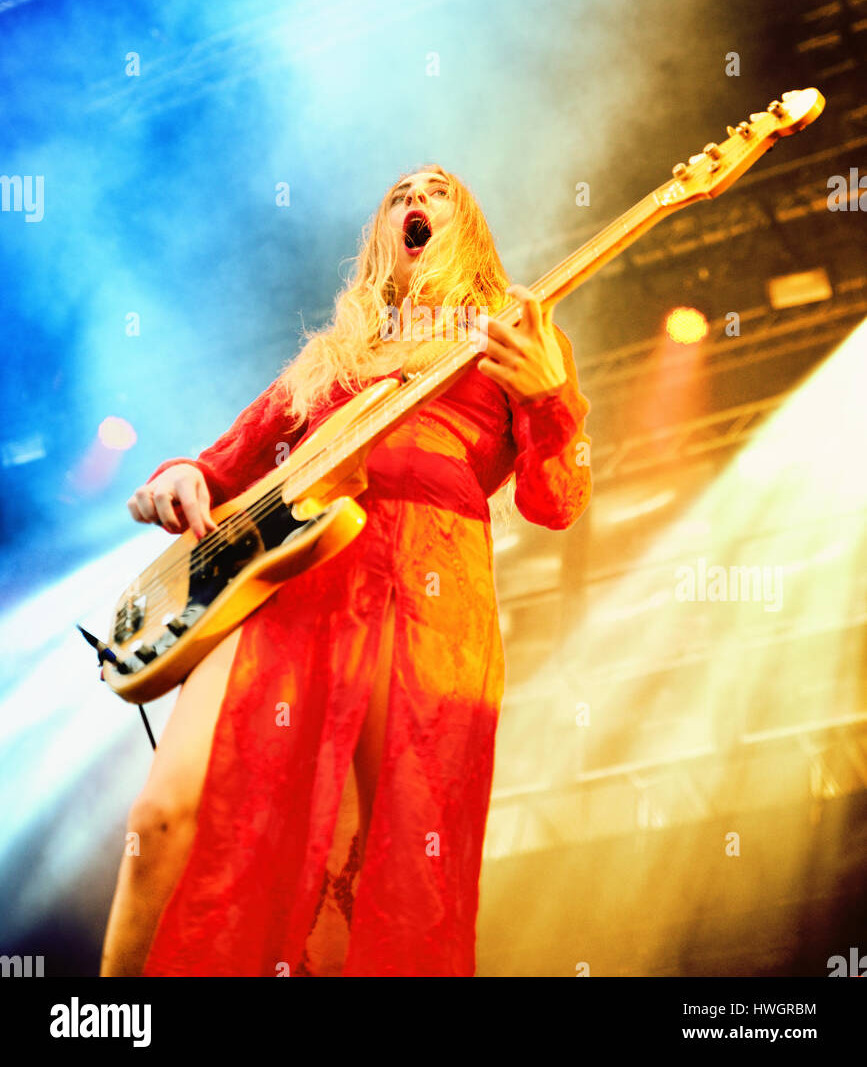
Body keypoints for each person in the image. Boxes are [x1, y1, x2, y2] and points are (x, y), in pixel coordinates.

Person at [100, 164, 592, 977]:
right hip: (287, 588)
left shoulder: (515, 334)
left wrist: (548, 398)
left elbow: (557, 500)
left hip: (425, 593)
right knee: (159, 817)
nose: (413, 201)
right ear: (378, 239)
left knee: (366, 875)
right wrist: (178, 477)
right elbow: (219, 464)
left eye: (434, 191)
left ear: (464, 226)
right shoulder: (330, 360)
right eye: (399, 193)